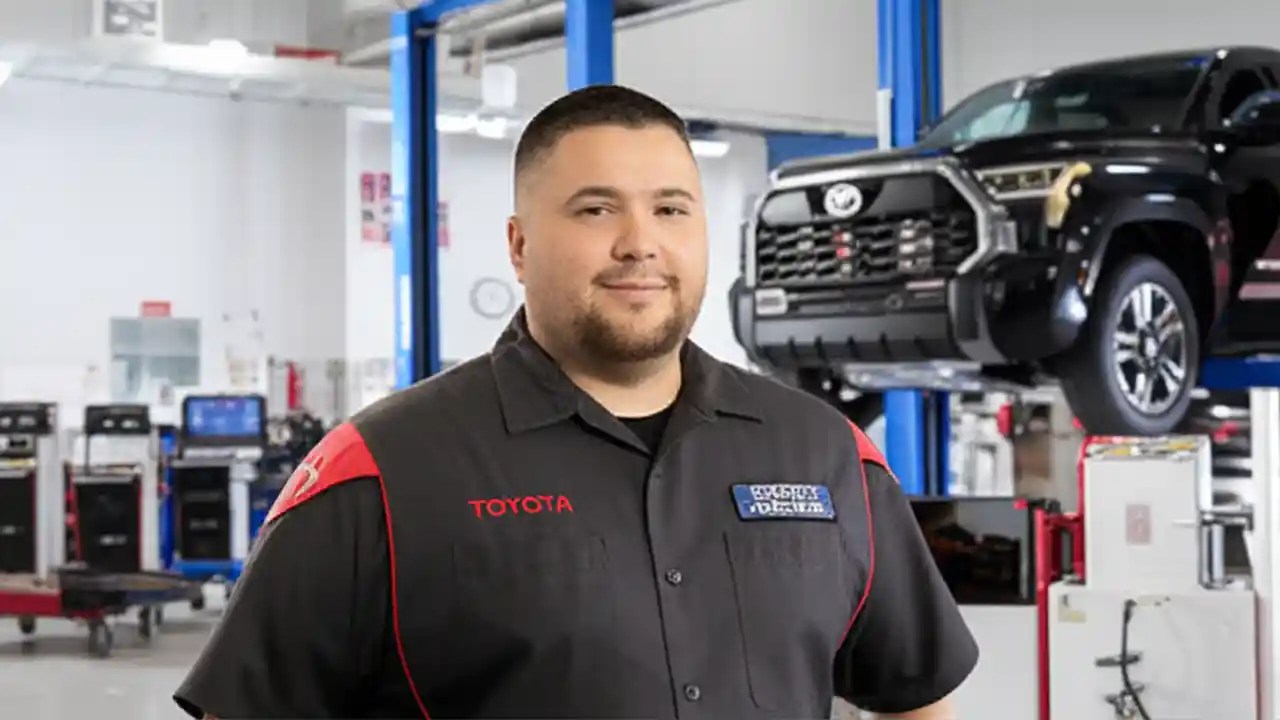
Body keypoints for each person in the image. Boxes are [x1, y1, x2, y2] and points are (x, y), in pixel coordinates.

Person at [174, 84, 978, 720]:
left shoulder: (829, 456)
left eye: (670, 209)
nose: (640, 241)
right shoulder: (378, 477)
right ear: (519, 246)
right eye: (597, 209)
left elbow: (915, 697)